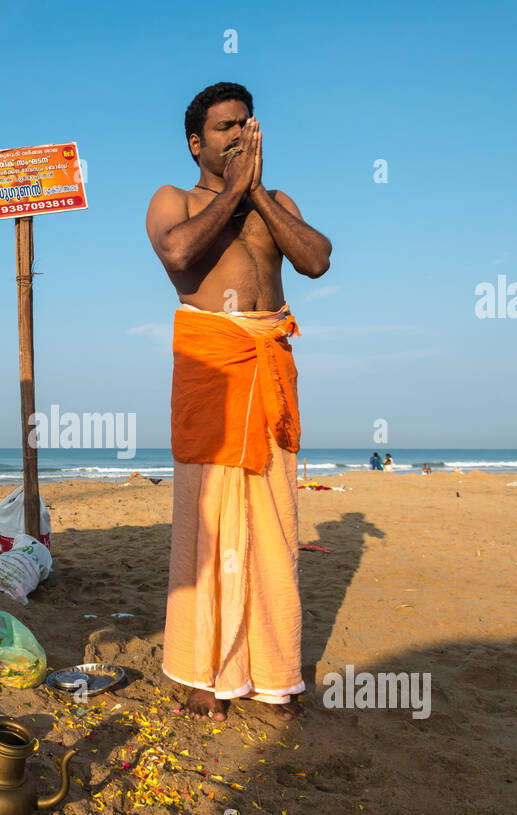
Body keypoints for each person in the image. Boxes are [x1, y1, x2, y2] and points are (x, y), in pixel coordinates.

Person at [147, 82, 331, 722]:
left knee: (274, 527)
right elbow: (176, 252)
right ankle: (206, 674)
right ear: (197, 142)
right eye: (224, 127)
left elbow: (317, 260)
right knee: (209, 525)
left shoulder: (274, 202)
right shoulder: (176, 200)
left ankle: (274, 675)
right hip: (213, 367)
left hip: (270, 366)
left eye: (245, 124)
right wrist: (231, 192)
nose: (237, 134)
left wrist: (255, 192)